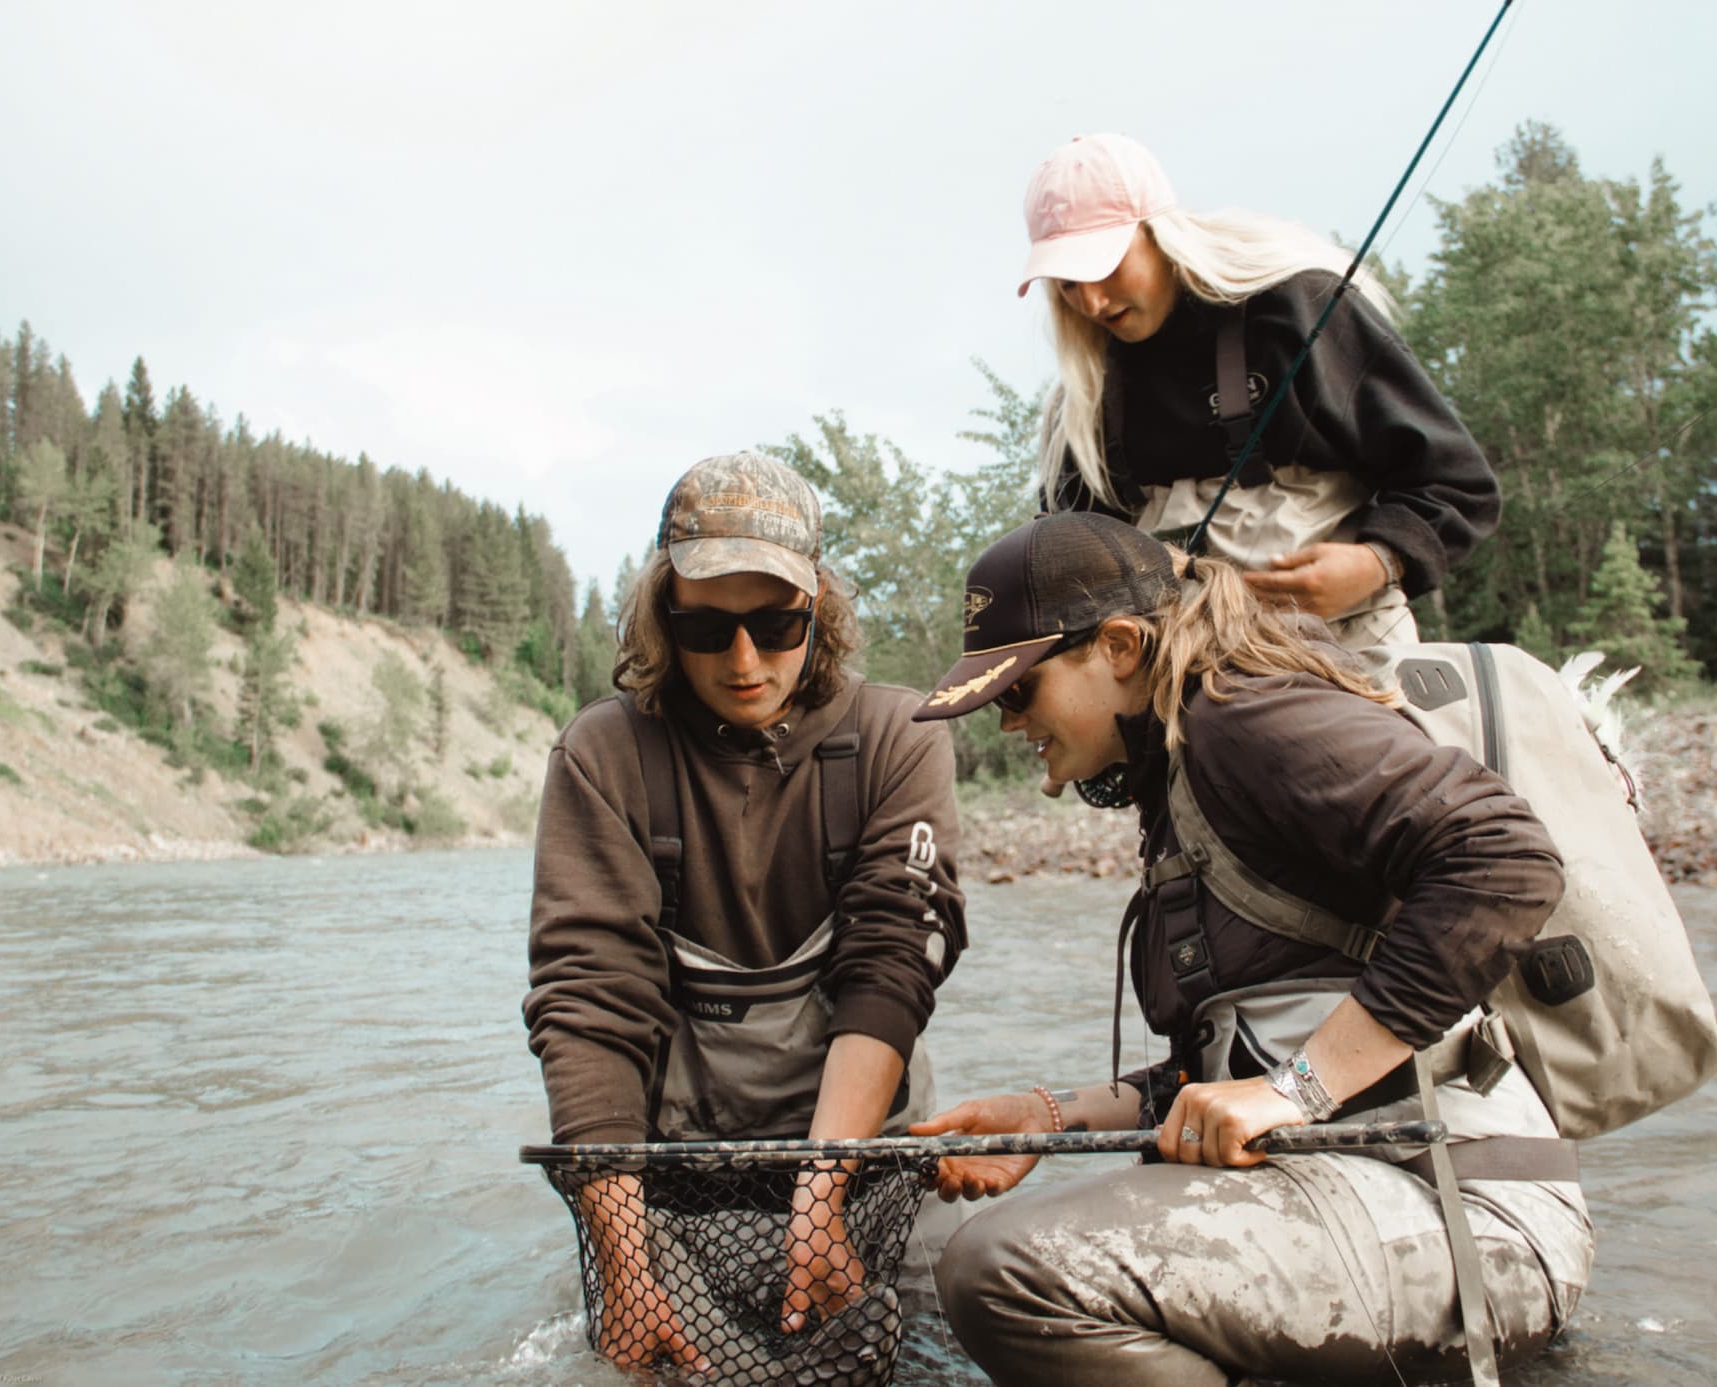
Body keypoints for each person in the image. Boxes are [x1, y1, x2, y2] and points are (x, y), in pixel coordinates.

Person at [907, 511, 1592, 1385]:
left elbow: (1504, 857)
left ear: (1118, 646)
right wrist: (1052, 1113)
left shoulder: (1244, 715)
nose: (1008, 724)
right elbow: (1248, 1067)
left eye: (1016, 692)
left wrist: (1296, 1090)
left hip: (1467, 1213)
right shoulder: (1186, 767)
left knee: (1006, 1272)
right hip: (1374, 1192)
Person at [522, 452, 967, 1372]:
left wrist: (822, 1190)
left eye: (776, 623)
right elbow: (589, 1005)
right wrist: (625, 1258)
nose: (744, 660)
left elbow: (893, 961)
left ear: (820, 610)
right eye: (705, 626)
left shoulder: (897, 737)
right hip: (681, 1191)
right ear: (660, 615)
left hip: (874, 1172)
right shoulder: (602, 756)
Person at [1020, 131, 1501, 648]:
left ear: (1159, 233)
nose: (1091, 302)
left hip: (1346, 650)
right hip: (1187, 678)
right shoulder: (1084, 402)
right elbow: (1070, 574)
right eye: (1067, 283)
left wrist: (1377, 562)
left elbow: (1458, 484)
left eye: (1104, 265)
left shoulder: (1296, 308)